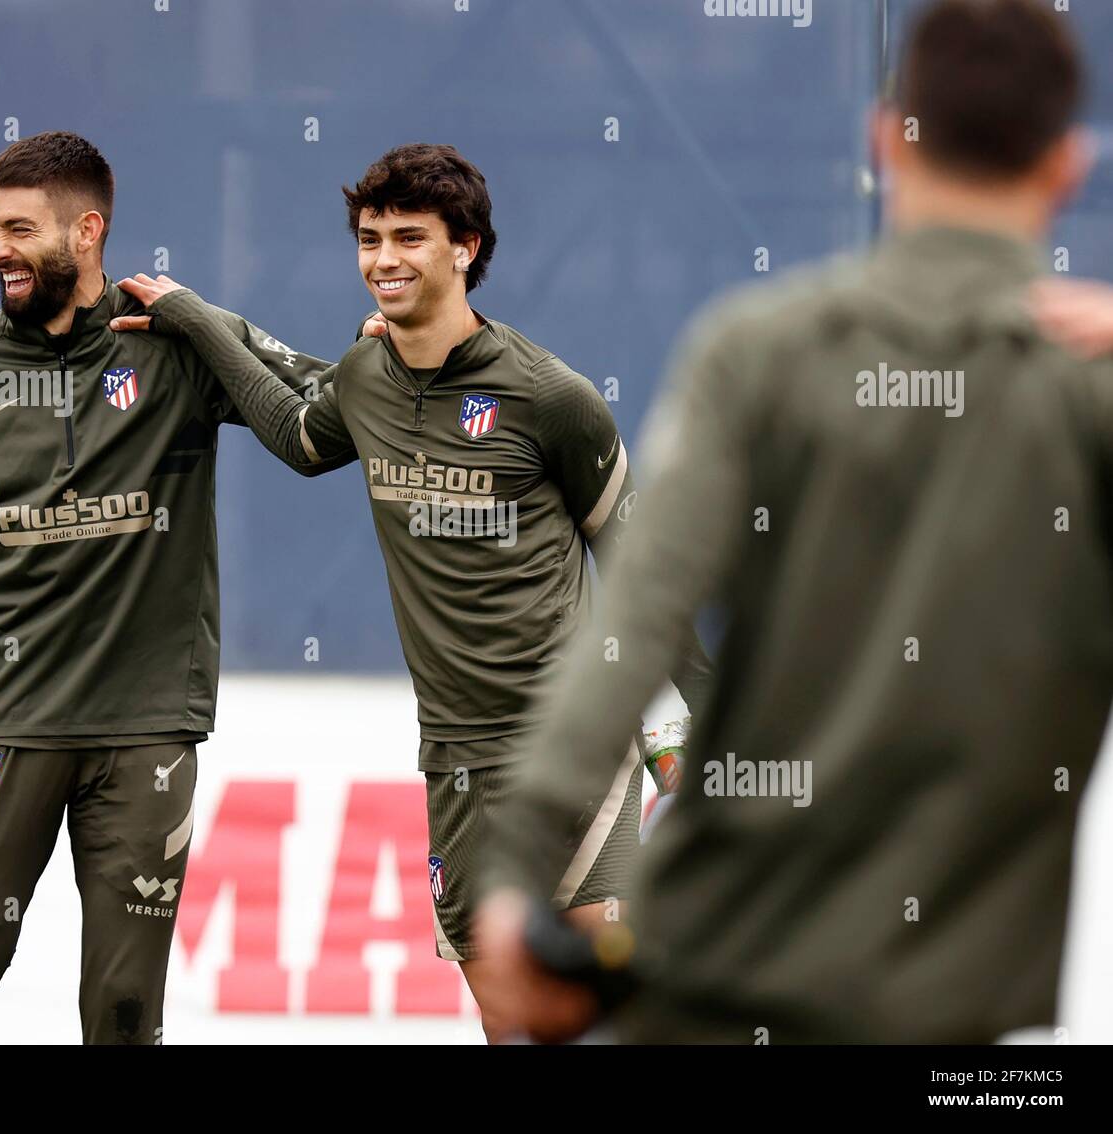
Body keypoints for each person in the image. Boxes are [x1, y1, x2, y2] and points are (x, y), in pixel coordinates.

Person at [477, 0, 1106, 1044]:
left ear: (884, 136)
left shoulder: (757, 353)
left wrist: (514, 879)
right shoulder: (1091, 395)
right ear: (1066, 166)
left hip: (697, 995)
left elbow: (629, 634)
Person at [109, 143, 713, 1041]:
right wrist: (198, 319)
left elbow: (644, 571)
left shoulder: (555, 398)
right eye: (368, 238)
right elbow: (295, 432)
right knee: (515, 1028)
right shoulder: (364, 377)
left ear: (465, 247)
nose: (383, 258)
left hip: (575, 746)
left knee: (615, 1023)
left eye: (409, 238)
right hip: (457, 765)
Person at [0, 130, 380, 1043]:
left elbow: (330, 426)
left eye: (20, 228)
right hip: (8, 718)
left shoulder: (175, 343)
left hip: (147, 725)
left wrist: (213, 325)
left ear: (88, 232)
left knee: (123, 1017)